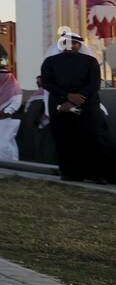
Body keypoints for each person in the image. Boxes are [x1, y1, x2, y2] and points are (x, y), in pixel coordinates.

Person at [40, 33, 116, 182]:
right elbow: (47, 83)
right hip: (61, 106)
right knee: (66, 141)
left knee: (95, 139)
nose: (71, 45)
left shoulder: (90, 61)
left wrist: (77, 99)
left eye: (74, 43)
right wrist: (66, 96)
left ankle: (100, 175)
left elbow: (93, 84)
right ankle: (72, 174)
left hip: (87, 107)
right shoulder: (50, 62)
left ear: (79, 45)